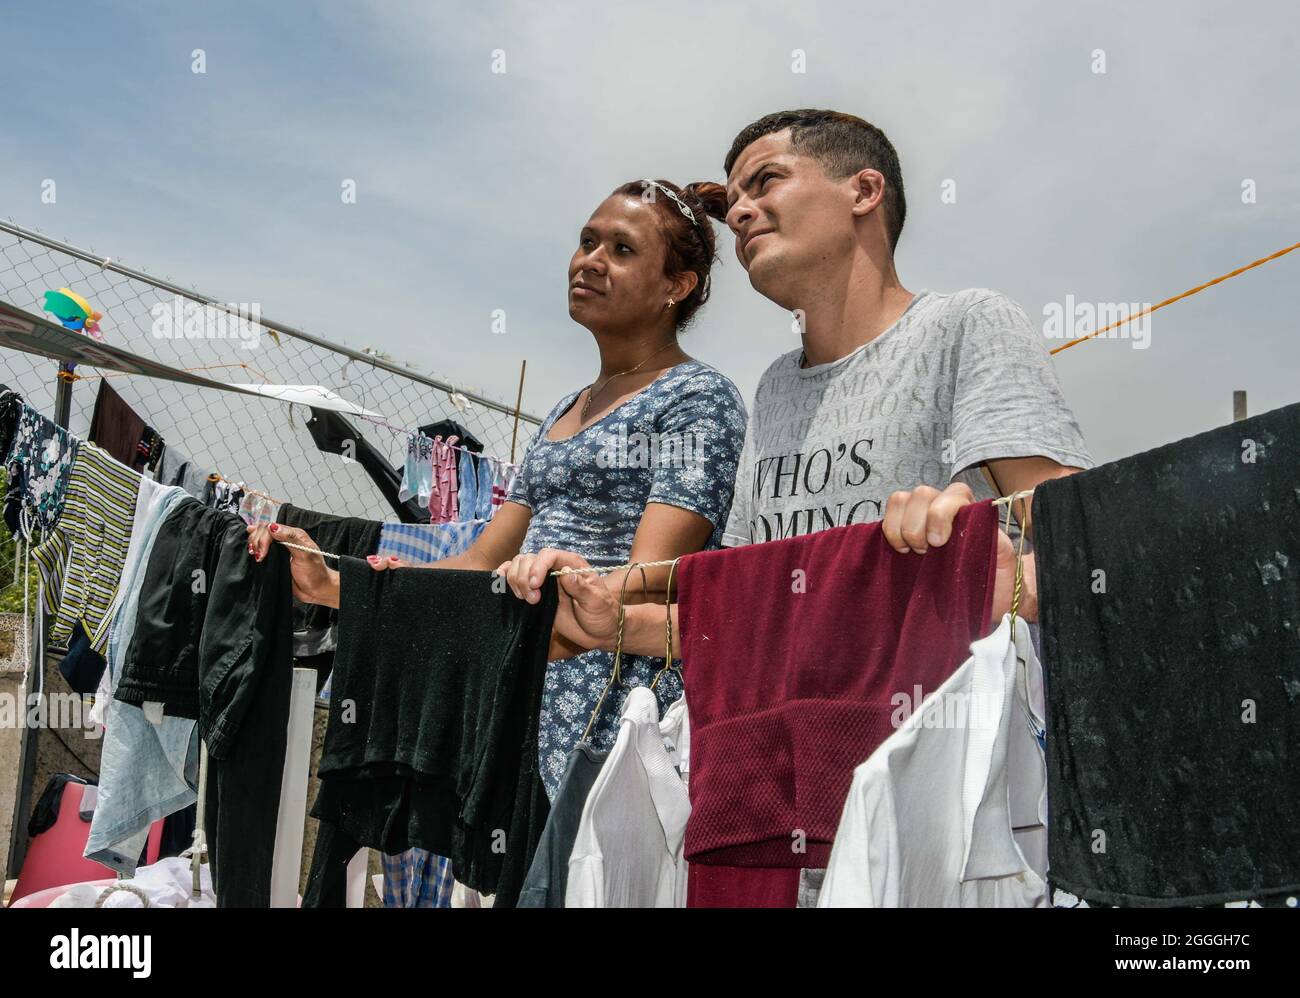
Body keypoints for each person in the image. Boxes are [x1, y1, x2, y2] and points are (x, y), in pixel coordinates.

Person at [498, 108, 1093, 657]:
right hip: (787, 744)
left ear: (863, 191)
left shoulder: (966, 326)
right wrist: (614, 623)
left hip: (939, 752)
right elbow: (744, 610)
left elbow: (1085, 540)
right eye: (733, 201)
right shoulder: (775, 388)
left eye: (765, 181)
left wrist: (1004, 581)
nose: (736, 213)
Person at [249, 178, 748, 799]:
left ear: (678, 285)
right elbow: (480, 561)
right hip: (517, 690)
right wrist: (334, 583)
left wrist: (547, 590)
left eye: (621, 250)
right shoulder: (567, 410)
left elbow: (656, 571)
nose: (590, 260)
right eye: (587, 241)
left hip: (615, 712)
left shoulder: (696, 398)